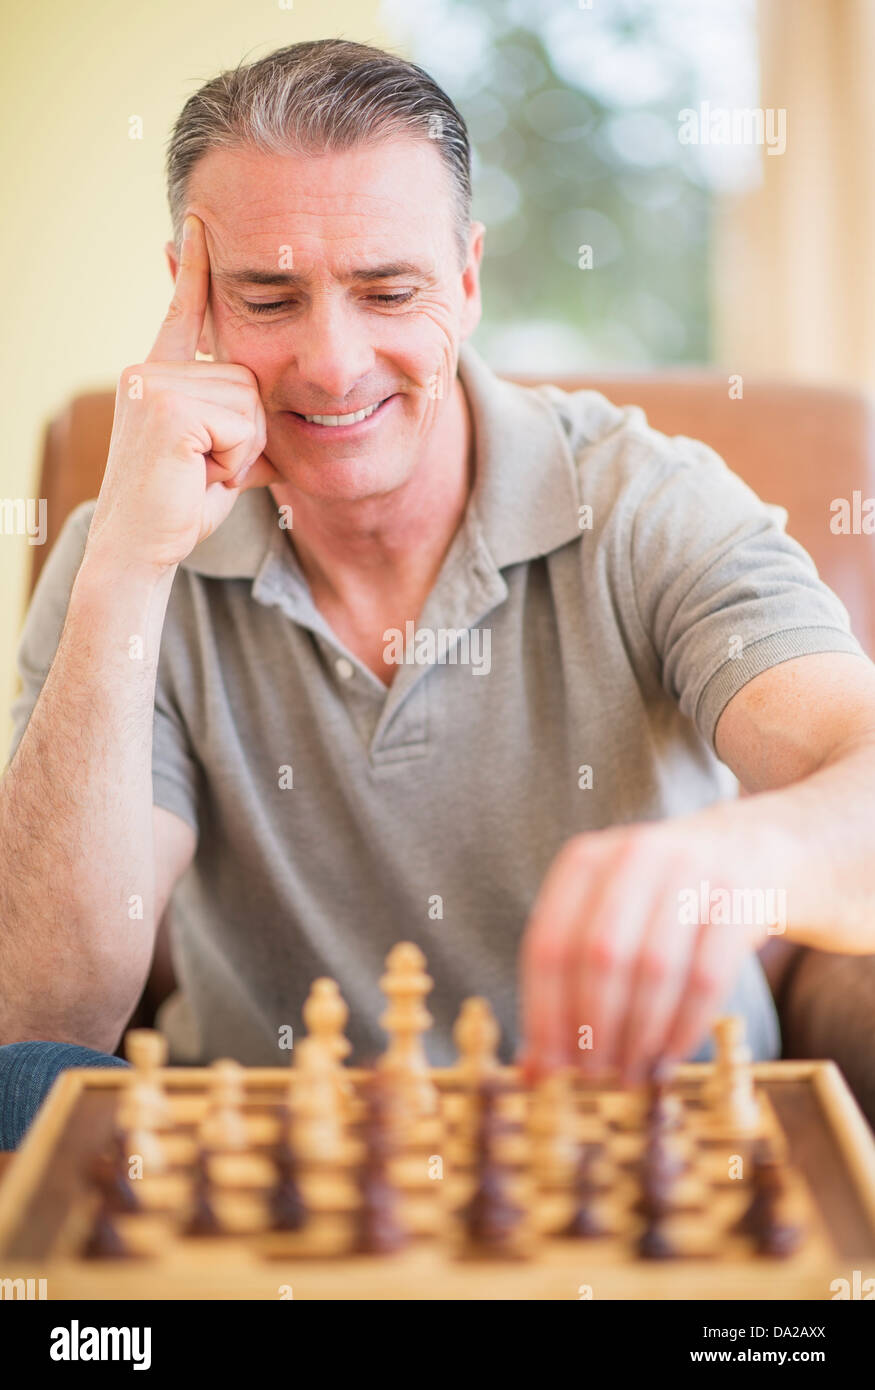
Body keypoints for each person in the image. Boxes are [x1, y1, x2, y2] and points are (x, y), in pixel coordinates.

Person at [2, 39, 875, 1151]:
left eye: (387, 290)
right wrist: (126, 565)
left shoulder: (646, 500)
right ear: (194, 298)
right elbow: (39, 1019)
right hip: (281, 1170)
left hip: (635, 1150)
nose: (332, 361)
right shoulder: (120, 549)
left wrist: (737, 859)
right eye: (269, 296)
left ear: (465, 281)